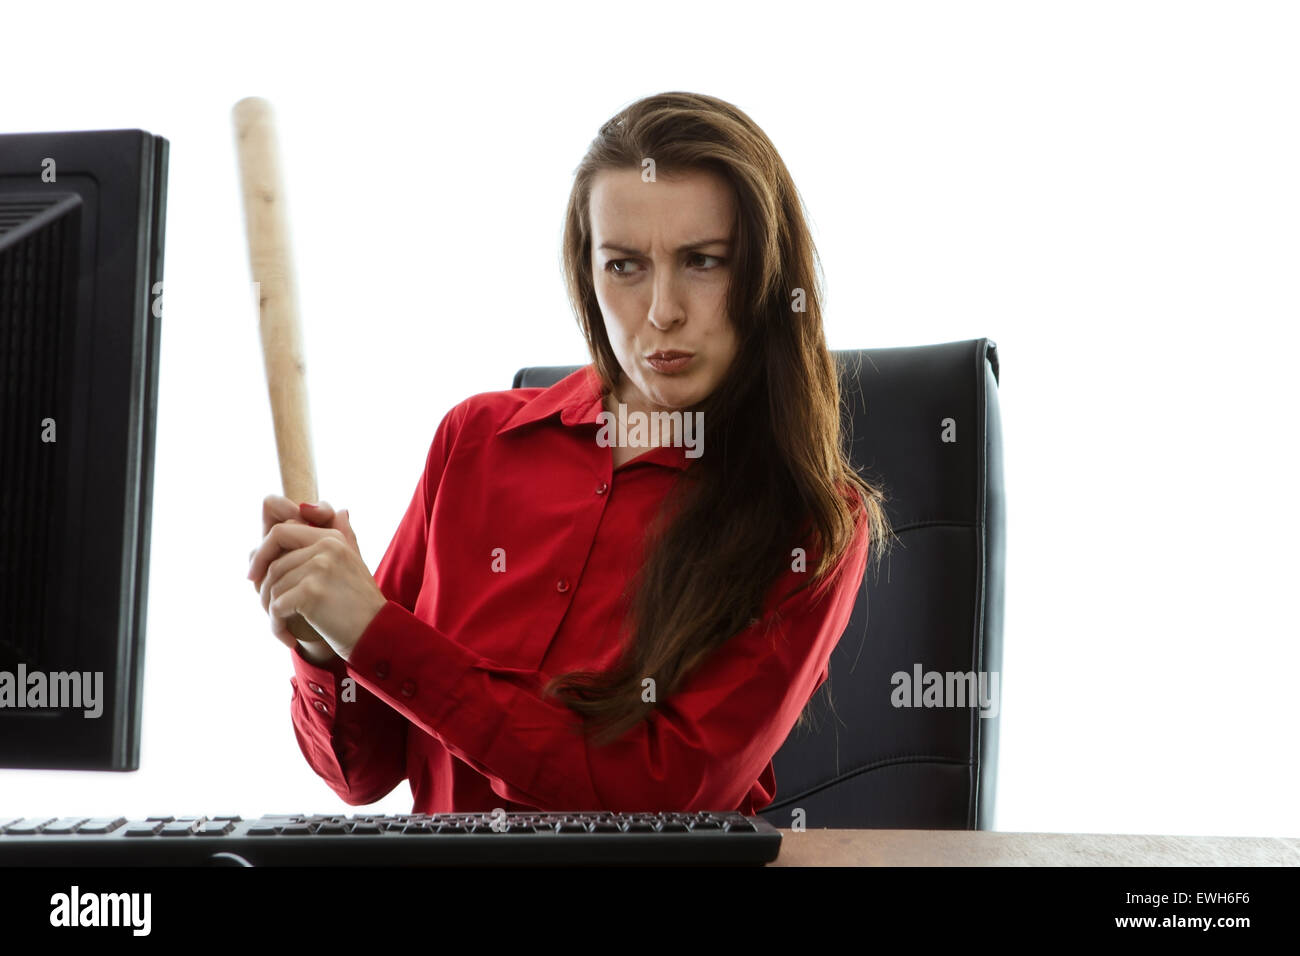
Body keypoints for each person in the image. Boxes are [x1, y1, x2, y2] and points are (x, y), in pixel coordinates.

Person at [246, 91, 892, 815]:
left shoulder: (811, 525)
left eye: (703, 262)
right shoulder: (474, 441)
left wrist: (376, 630)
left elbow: (658, 800)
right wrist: (328, 647)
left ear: (768, 279)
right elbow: (360, 774)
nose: (662, 311)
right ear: (587, 273)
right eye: (625, 266)